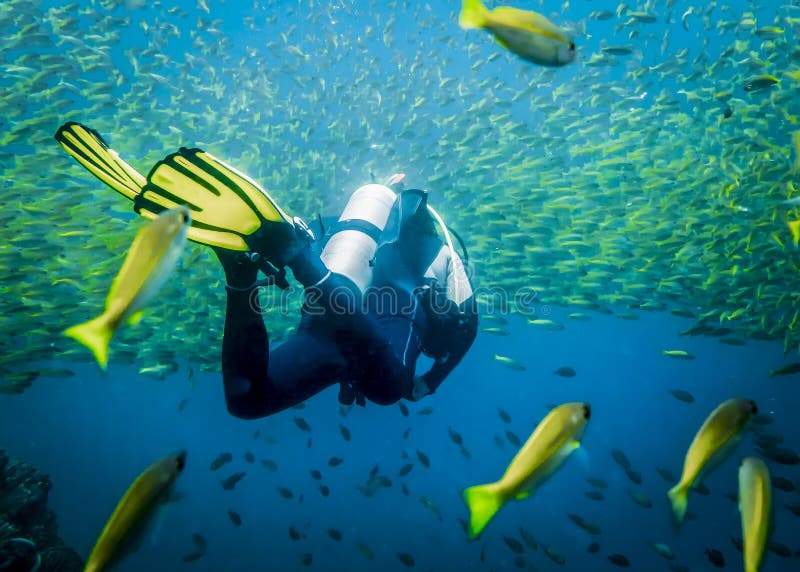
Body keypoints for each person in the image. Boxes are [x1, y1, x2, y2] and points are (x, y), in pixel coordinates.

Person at [55, 122, 478, 418]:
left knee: (247, 401)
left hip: (325, 313)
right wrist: (431, 382)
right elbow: (466, 325)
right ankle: (288, 262)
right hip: (364, 331)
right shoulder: (435, 248)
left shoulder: (359, 230)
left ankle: (241, 276)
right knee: (387, 390)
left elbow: (313, 233)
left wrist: (295, 250)